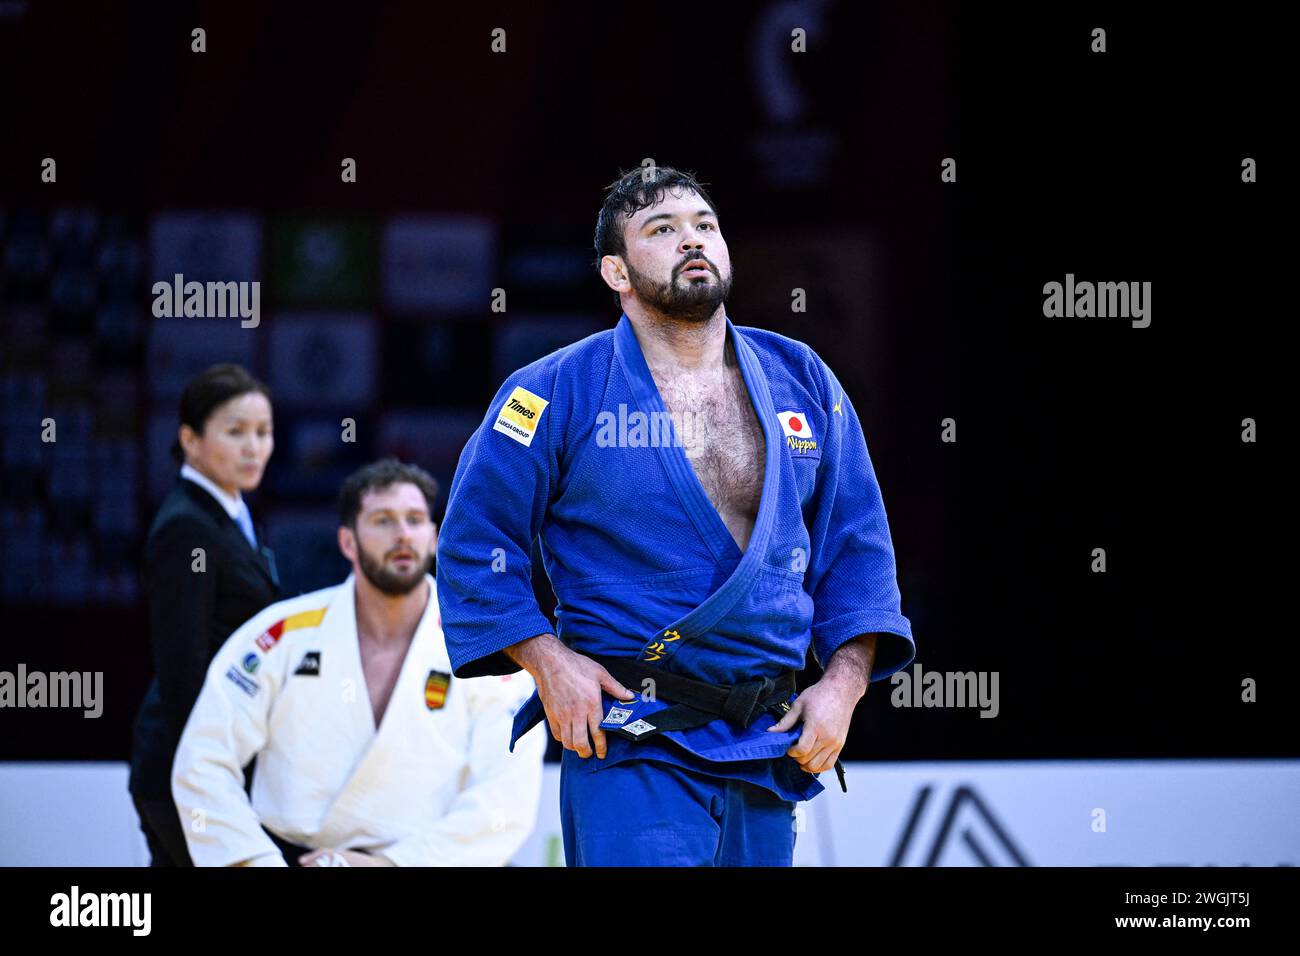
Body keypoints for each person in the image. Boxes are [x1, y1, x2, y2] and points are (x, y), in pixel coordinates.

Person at [436, 166, 916, 867]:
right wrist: (548, 664)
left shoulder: (802, 377)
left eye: (705, 226)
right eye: (661, 230)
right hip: (628, 737)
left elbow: (859, 551)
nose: (692, 241)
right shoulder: (553, 390)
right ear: (616, 271)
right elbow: (476, 543)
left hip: (766, 742)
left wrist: (841, 688)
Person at [172, 459, 545, 867]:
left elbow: (507, 793)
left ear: (435, 536)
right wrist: (255, 861)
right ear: (348, 542)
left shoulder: (485, 647)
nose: (402, 534)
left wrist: (390, 865)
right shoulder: (281, 636)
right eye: (383, 520)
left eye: (415, 520)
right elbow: (204, 758)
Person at [129, 363, 281, 866]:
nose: (253, 447)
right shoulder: (186, 527)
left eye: (263, 432)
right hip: (186, 767)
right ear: (190, 440)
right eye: (235, 432)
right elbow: (183, 667)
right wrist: (212, 776)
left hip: (212, 763)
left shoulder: (230, 513)